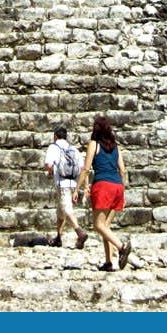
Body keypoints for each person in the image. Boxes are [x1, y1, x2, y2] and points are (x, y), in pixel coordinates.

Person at [75, 115, 130, 272]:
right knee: (106, 226)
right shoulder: (115, 146)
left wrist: (77, 188)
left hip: (103, 185)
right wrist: (123, 191)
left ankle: (121, 247)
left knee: (98, 225)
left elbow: (85, 169)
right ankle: (108, 262)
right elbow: (123, 170)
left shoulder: (94, 144)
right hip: (117, 186)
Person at [44, 125, 88, 248]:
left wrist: (51, 171)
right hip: (73, 183)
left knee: (67, 209)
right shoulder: (73, 149)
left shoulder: (54, 147)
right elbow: (83, 168)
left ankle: (79, 232)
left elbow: (48, 164)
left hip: (61, 183)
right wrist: (85, 186)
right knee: (60, 210)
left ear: (55, 136)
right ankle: (58, 236)